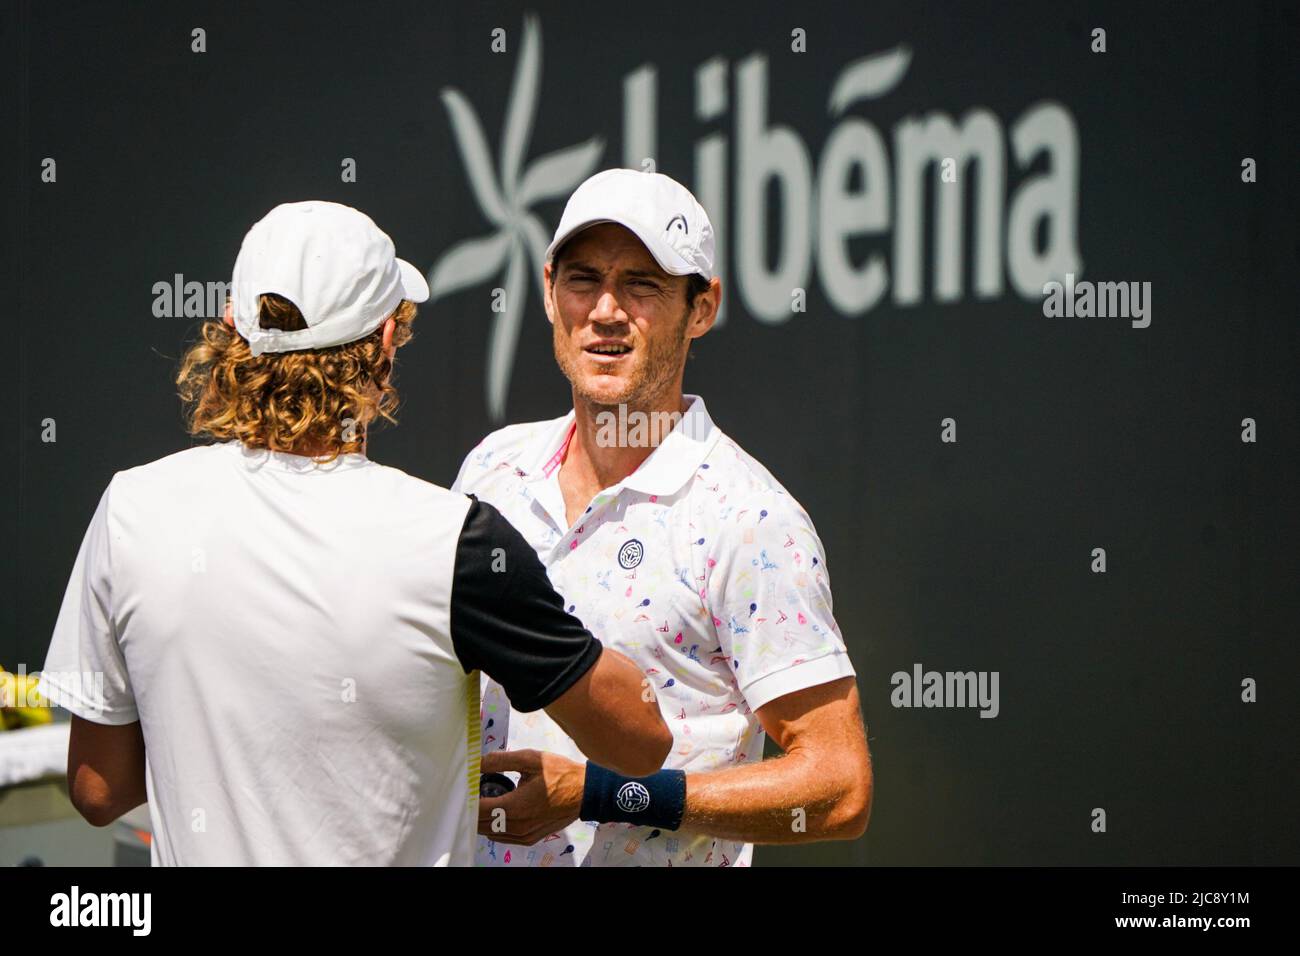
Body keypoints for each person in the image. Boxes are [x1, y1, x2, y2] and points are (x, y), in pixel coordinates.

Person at [36, 200, 670, 866]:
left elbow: (97, 788)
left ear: (231, 328)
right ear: (386, 345)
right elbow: (640, 742)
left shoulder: (132, 509)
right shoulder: (457, 544)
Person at [454, 170, 873, 867]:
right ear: (550, 289)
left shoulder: (751, 519)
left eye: (642, 285)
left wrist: (605, 794)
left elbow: (839, 788)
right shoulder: (493, 468)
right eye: (583, 279)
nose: (606, 310)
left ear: (701, 307)